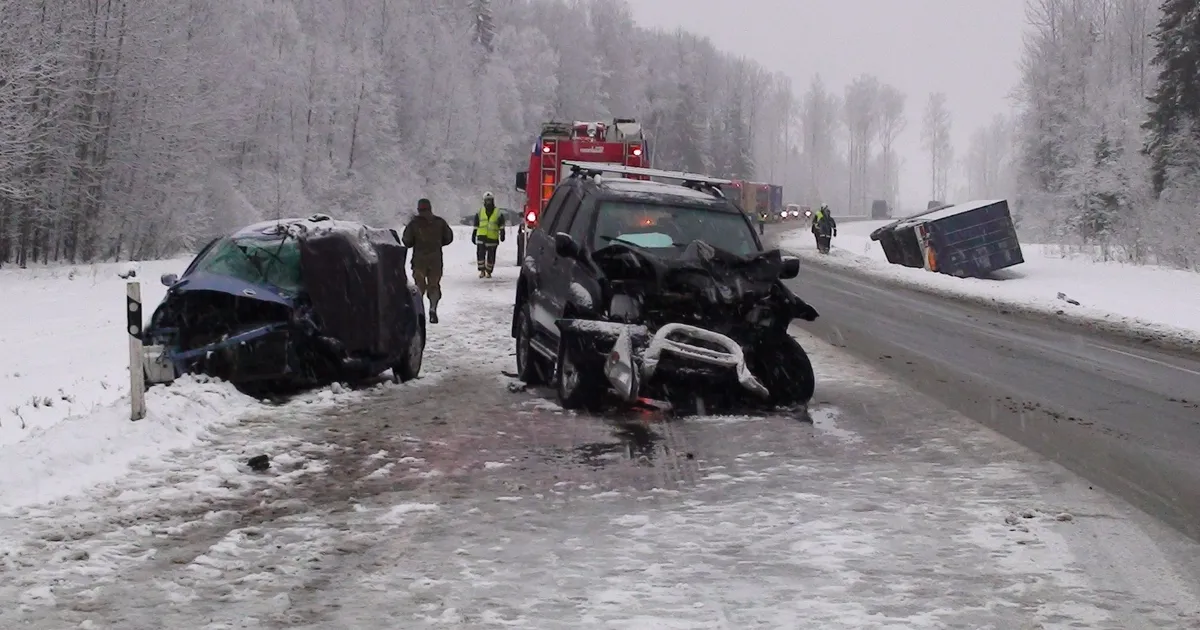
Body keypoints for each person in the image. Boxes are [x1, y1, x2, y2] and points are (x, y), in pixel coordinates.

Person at [401, 198, 454, 323]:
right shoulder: (439, 222)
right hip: (435, 259)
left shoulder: (414, 224)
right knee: (434, 285)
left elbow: (406, 242)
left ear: (419, 209)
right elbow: (449, 238)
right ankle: (433, 308)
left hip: (419, 260)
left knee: (419, 286)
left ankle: (419, 312)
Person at [471, 191, 505, 278]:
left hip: (492, 238)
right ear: (484, 201)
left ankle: (489, 272)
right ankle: (482, 271)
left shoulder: (498, 212)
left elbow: (501, 224)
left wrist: (502, 233)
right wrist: (474, 234)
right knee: (480, 255)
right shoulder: (480, 211)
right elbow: (476, 223)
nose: (488, 202)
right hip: (481, 237)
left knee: (491, 256)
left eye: (490, 200)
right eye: (487, 200)